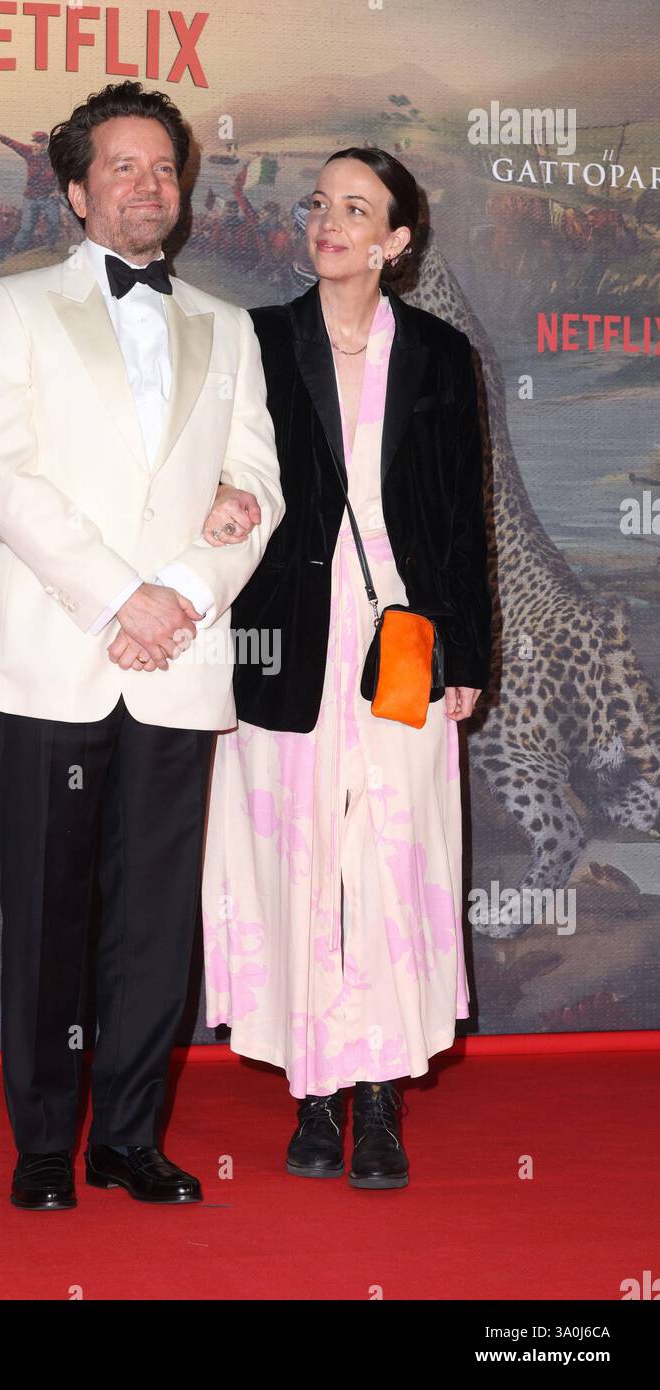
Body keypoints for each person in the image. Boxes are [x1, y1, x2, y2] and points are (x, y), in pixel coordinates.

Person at [0, 82, 284, 1209]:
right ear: (77, 190)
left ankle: (129, 1137)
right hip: (56, 647)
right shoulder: (12, 308)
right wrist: (118, 601)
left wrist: (183, 593)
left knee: (154, 919)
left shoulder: (229, 329)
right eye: (124, 167)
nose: (149, 185)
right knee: (46, 909)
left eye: (164, 168)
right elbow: (6, 480)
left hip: (181, 659)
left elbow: (255, 488)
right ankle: (46, 1140)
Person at [199, 147, 492, 1190]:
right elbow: (223, 472)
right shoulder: (257, 340)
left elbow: (462, 516)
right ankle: (310, 1097)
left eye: (354, 208)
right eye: (318, 204)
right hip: (281, 635)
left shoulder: (440, 356)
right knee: (291, 852)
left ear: (395, 241)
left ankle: (377, 1099)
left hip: (403, 637)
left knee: (393, 853)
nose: (327, 222)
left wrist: (467, 647)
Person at [0, 128, 61, 250]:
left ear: (46, 144)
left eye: (40, 143)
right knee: (27, 226)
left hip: (49, 197)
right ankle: (17, 249)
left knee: (54, 222)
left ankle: (50, 246)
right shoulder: (28, 151)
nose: (36, 146)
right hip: (30, 197)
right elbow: (14, 144)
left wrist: (57, 190)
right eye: (35, 142)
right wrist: (0, 136)